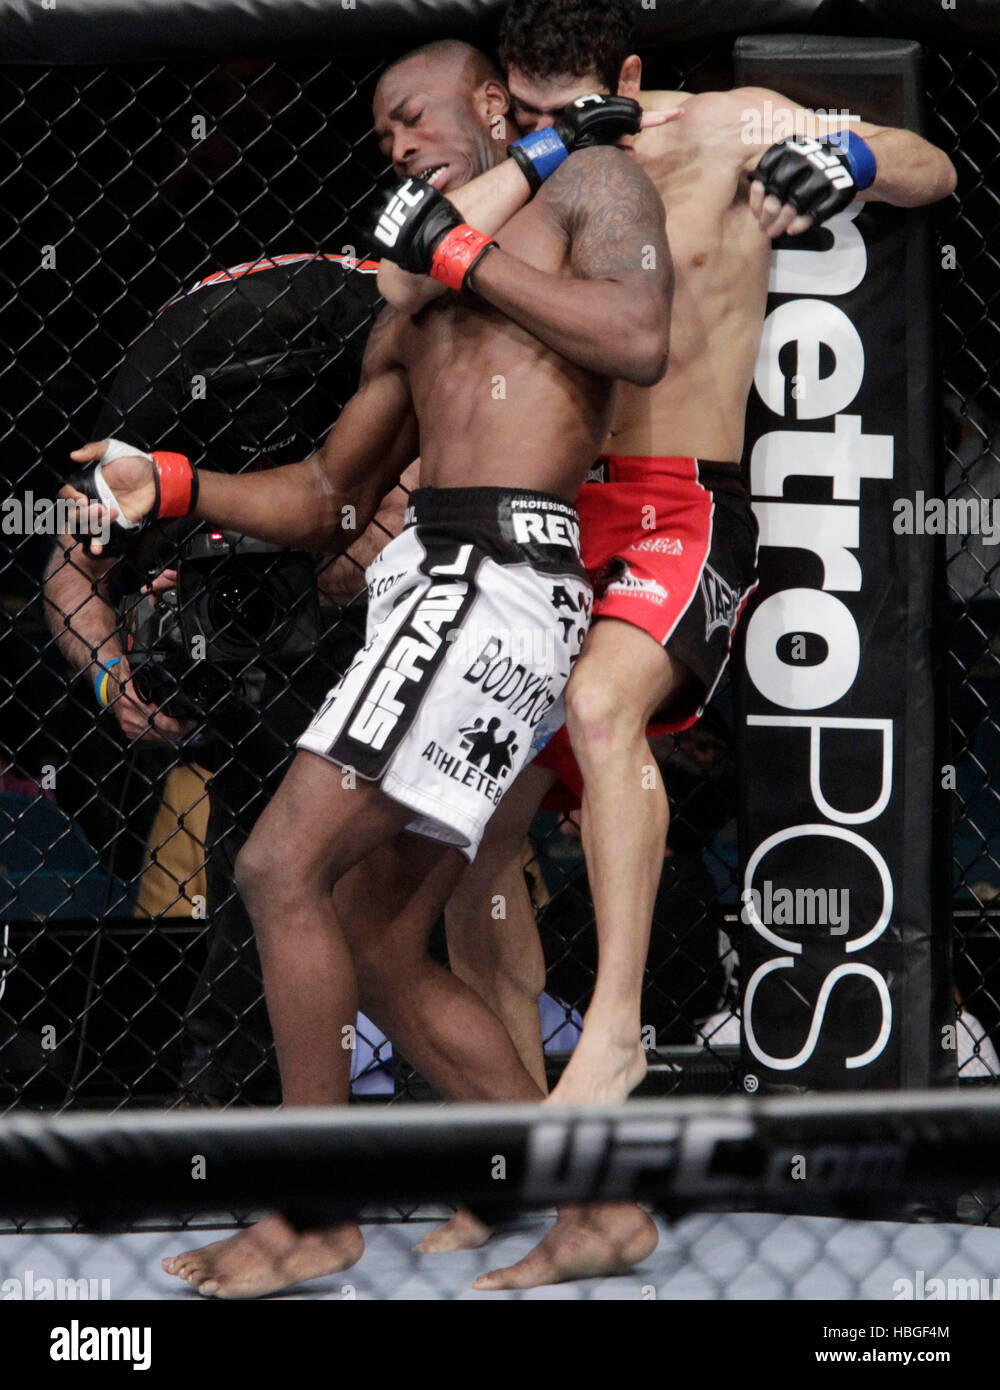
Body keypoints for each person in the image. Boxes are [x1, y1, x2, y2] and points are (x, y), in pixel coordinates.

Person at [61, 40, 672, 1296]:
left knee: (279, 862)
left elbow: (640, 333)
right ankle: (592, 1206)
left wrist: (460, 252)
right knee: (376, 937)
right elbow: (329, 497)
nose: (393, 143)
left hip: (492, 576)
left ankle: (308, 1211)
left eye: (413, 117)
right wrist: (167, 481)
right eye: (380, 133)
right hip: (433, 588)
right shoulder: (410, 311)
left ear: (494, 106)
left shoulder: (588, 190)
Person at [371, 0, 957, 1288]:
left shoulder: (729, 132)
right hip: (547, 517)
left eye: (564, 105)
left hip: (686, 502)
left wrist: (854, 159)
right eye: (518, 112)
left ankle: (621, 1025)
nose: (542, 133)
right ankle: (527, 1165)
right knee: (480, 823)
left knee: (597, 710)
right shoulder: (511, 185)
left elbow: (934, 166)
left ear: (629, 77)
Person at [44, 251, 407, 1104]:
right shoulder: (154, 398)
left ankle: (264, 1097)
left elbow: (410, 510)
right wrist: (116, 679)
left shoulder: (390, 330)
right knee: (265, 863)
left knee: (326, 875)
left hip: (388, 618)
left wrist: (324, 564)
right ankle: (245, 1099)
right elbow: (70, 565)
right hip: (261, 679)